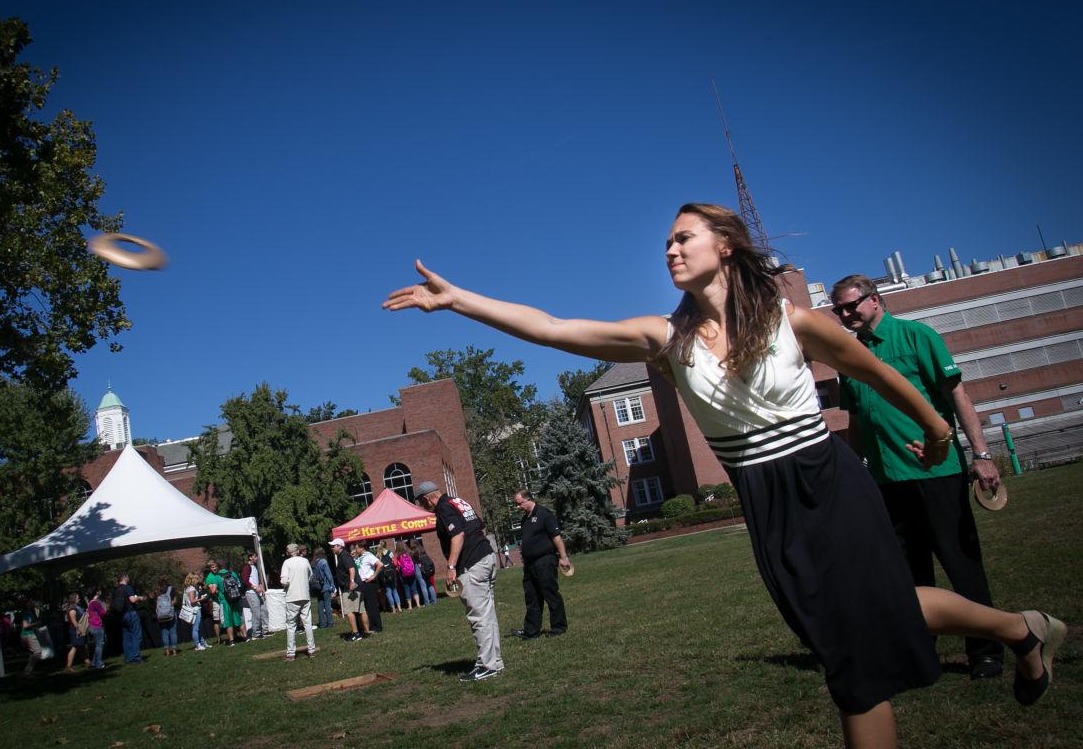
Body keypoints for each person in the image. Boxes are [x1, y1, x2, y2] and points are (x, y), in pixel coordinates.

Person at [384, 203, 1065, 743]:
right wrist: (460, 301)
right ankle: (1020, 629)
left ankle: (1016, 632)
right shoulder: (663, 337)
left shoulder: (792, 321)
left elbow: (876, 372)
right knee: (883, 610)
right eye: (668, 245)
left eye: (685, 238)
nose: (672, 249)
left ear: (726, 247)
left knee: (851, 663)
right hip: (765, 502)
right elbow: (554, 327)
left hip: (827, 482)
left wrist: (940, 427)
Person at [831, 273, 1006, 680]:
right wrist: (852, 474)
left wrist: (982, 455)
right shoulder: (851, 358)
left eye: (850, 305)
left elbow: (956, 395)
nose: (844, 314)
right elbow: (858, 422)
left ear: (875, 300)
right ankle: (921, 651)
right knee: (909, 574)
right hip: (886, 482)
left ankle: (986, 651)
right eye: (837, 309)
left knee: (961, 566)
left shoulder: (916, 337)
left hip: (935, 472)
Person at [413, 480, 503, 682]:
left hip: (472, 565)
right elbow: (480, 525)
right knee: (487, 614)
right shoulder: (458, 501)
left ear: (428, 498)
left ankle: (487, 666)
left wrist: (451, 566)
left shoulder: (444, 507)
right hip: (486, 557)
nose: (422, 507)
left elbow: (457, 534)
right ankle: (494, 663)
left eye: (421, 502)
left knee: (479, 617)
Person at [511, 489, 570, 639]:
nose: (517, 507)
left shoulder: (544, 514)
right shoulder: (525, 519)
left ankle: (558, 627)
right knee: (532, 597)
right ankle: (531, 631)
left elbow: (556, 537)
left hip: (545, 561)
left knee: (550, 594)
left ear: (528, 499)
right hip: (530, 565)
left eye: (519, 504)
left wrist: (563, 557)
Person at [279, 543, 318, 660]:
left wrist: (286, 584)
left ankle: (291, 653)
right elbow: (311, 576)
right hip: (305, 595)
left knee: (291, 625)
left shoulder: (287, 563)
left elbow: (284, 581)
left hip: (292, 596)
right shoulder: (305, 561)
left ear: (288, 552)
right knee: (308, 624)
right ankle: (311, 650)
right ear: (297, 551)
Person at [329, 539, 367, 641]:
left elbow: (352, 569)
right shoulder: (343, 555)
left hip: (351, 588)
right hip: (354, 587)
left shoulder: (344, 556)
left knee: (349, 610)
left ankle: (356, 633)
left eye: (334, 546)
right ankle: (366, 631)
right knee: (360, 609)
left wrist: (351, 581)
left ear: (340, 546)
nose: (332, 548)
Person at [205, 559, 244, 646]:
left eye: (215, 566)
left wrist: (219, 591)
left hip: (223, 600)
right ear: (210, 568)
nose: (214, 568)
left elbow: (212, 590)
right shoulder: (211, 577)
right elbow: (239, 584)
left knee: (226, 620)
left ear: (218, 567)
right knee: (219, 620)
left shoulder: (216, 577)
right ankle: (220, 639)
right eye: (212, 567)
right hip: (226, 599)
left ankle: (232, 639)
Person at [350, 542, 384, 634]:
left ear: (362, 548)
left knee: (372, 606)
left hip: (369, 583)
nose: (355, 550)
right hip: (361, 584)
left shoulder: (368, 555)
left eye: (356, 548)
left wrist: (374, 575)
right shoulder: (358, 557)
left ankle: (377, 626)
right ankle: (367, 626)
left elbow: (380, 564)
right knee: (364, 607)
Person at [114, 573, 146, 664]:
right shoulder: (127, 588)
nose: (129, 578)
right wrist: (139, 598)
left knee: (126, 637)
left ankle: (128, 658)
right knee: (136, 635)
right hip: (130, 613)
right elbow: (132, 599)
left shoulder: (116, 590)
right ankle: (136, 658)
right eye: (128, 576)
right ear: (124, 578)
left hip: (121, 615)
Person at [240, 551, 269, 640]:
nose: (257, 558)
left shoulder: (254, 567)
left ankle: (265, 630)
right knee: (256, 612)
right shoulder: (247, 567)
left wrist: (261, 588)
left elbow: (256, 580)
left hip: (258, 593)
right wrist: (254, 588)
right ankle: (256, 633)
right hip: (251, 593)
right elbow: (245, 580)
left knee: (264, 610)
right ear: (250, 557)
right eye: (255, 557)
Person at [310, 547, 336, 629]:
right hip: (325, 585)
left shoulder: (313, 563)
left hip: (317, 587)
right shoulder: (323, 562)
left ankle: (322, 623)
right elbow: (328, 575)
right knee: (327, 605)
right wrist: (332, 585)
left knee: (320, 605)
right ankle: (330, 622)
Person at [182, 573, 209, 651]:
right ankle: (197, 645)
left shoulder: (187, 589)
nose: (198, 581)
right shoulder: (192, 589)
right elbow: (192, 601)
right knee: (196, 628)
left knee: (197, 628)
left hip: (192, 610)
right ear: (193, 579)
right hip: (195, 610)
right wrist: (201, 599)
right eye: (196, 579)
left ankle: (202, 642)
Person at [63, 593, 88, 672]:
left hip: (79, 629)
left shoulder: (77, 607)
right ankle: (68, 666)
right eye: (77, 598)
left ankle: (87, 662)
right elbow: (74, 621)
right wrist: (78, 629)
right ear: (74, 599)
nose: (79, 599)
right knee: (75, 647)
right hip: (75, 630)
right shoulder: (72, 609)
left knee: (81, 646)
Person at [154, 578, 179, 656]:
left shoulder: (157, 591)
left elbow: (156, 603)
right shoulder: (171, 589)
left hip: (161, 615)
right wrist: (169, 605)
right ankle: (174, 651)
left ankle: (167, 651)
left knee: (164, 633)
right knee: (173, 632)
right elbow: (175, 601)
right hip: (170, 613)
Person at [395, 542, 422, 609]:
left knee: (406, 589)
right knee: (414, 588)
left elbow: (396, 564)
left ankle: (410, 606)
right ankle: (418, 604)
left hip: (403, 574)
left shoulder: (398, 555)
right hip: (412, 573)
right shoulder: (410, 553)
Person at [86, 589, 107, 669]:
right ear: (97, 592)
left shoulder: (91, 603)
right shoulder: (95, 602)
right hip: (97, 625)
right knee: (99, 645)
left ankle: (94, 662)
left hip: (92, 626)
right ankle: (99, 663)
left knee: (97, 645)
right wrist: (105, 608)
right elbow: (103, 612)